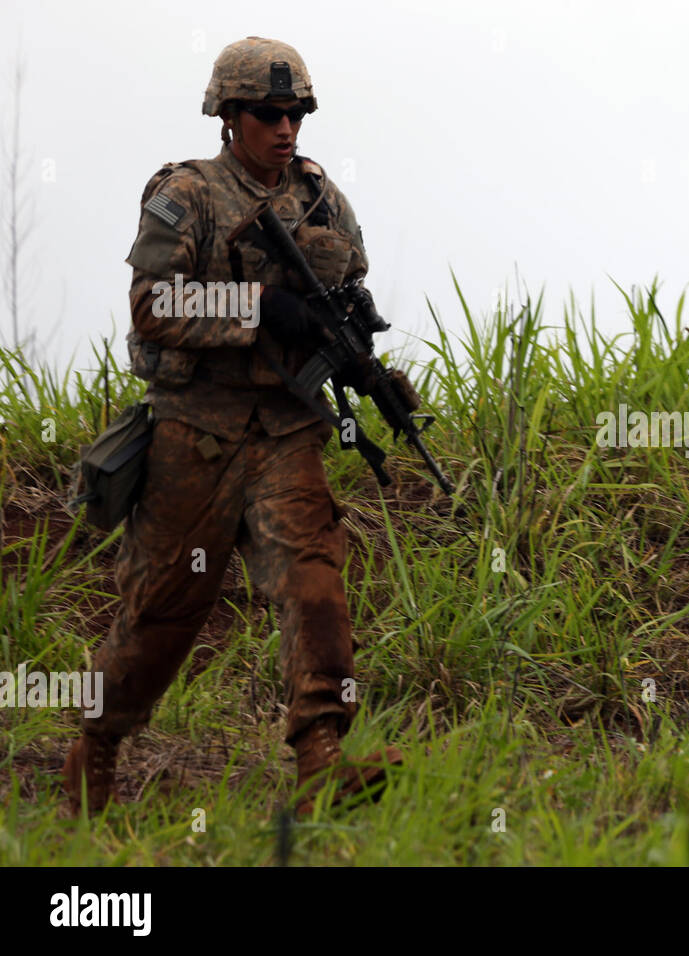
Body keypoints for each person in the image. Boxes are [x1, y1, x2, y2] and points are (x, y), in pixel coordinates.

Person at [63, 36, 401, 816]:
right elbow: (153, 307)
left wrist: (365, 368)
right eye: (268, 113)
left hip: (286, 432)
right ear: (228, 116)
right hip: (196, 439)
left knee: (314, 585)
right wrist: (258, 310)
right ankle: (96, 749)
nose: (285, 128)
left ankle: (323, 757)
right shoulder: (188, 194)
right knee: (162, 618)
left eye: (296, 114)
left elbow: (347, 301)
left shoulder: (322, 200)